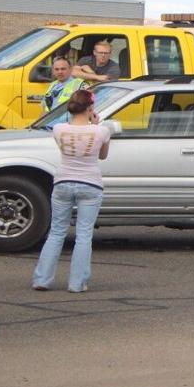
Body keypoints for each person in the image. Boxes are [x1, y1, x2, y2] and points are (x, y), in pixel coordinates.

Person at [32, 89, 112, 293]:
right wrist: (95, 125)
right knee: (84, 235)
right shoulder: (102, 131)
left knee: (56, 232)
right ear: (90, 108)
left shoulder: (58, 129)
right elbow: (102, 156)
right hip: (90, 183)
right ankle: (77, 283)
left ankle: (42, 279)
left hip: (63, 181)